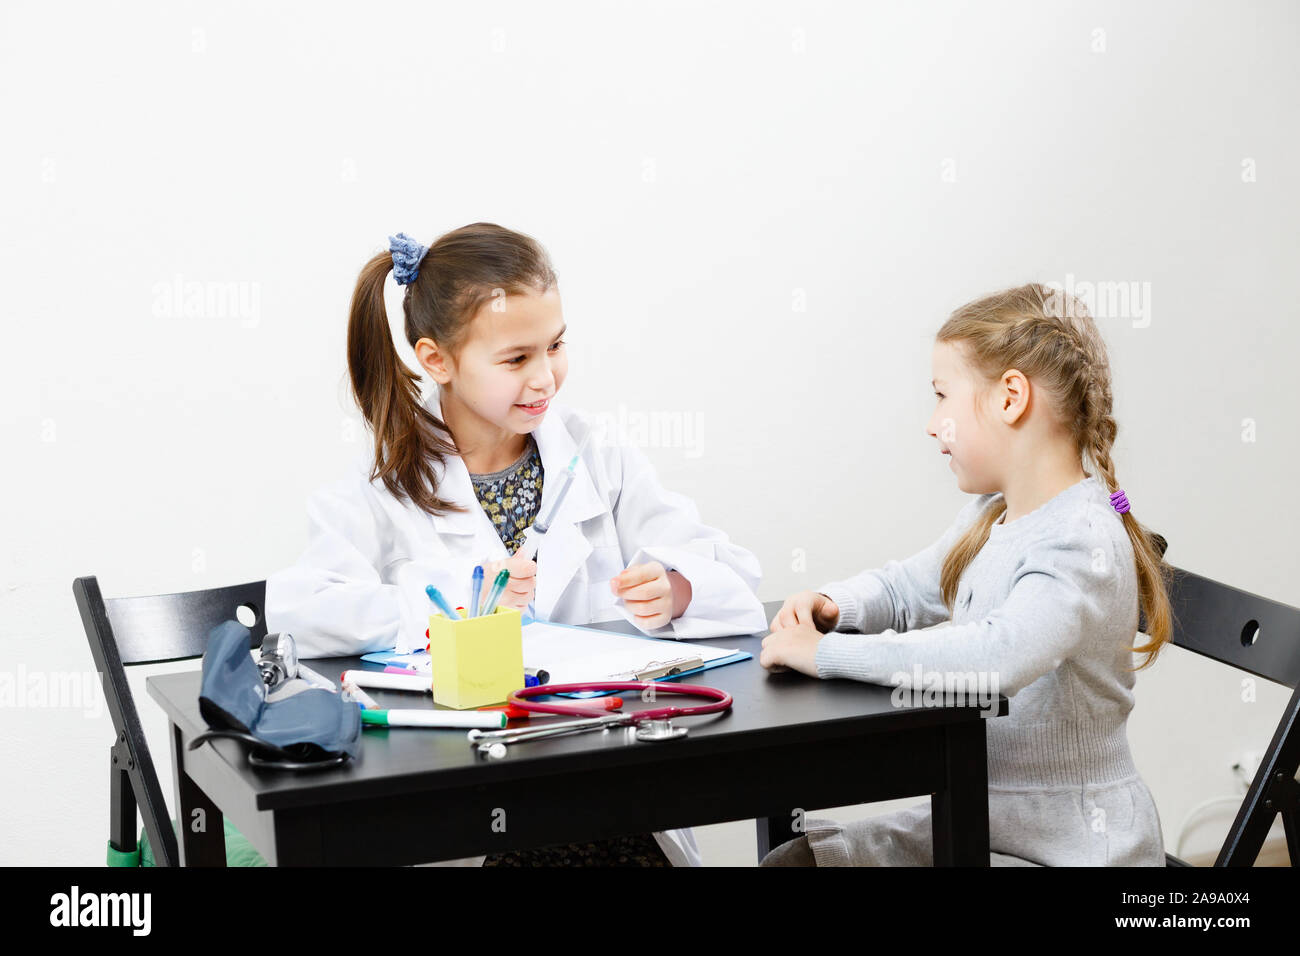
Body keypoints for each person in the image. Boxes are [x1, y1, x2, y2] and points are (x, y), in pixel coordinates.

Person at [266, 222, 767, 867]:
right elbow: (300, 613)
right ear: (436, 359)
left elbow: (729, 570)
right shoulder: (381, 484)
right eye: (516, 359)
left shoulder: (596, 454)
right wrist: (459, 601)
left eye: (555, 346)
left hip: (605, 777)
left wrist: (678, 586)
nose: (545, 378)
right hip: (474, 800)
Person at [758, 283, 1171, 866]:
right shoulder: (993, 516)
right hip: (985, 813)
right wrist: (833, 606)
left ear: (1010, 398)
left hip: (1073, 844)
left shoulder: (1082, 539)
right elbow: (908, 588)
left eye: (942, 396)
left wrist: (823, 654)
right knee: (792, 862)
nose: (932, 424)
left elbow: (994, 658)